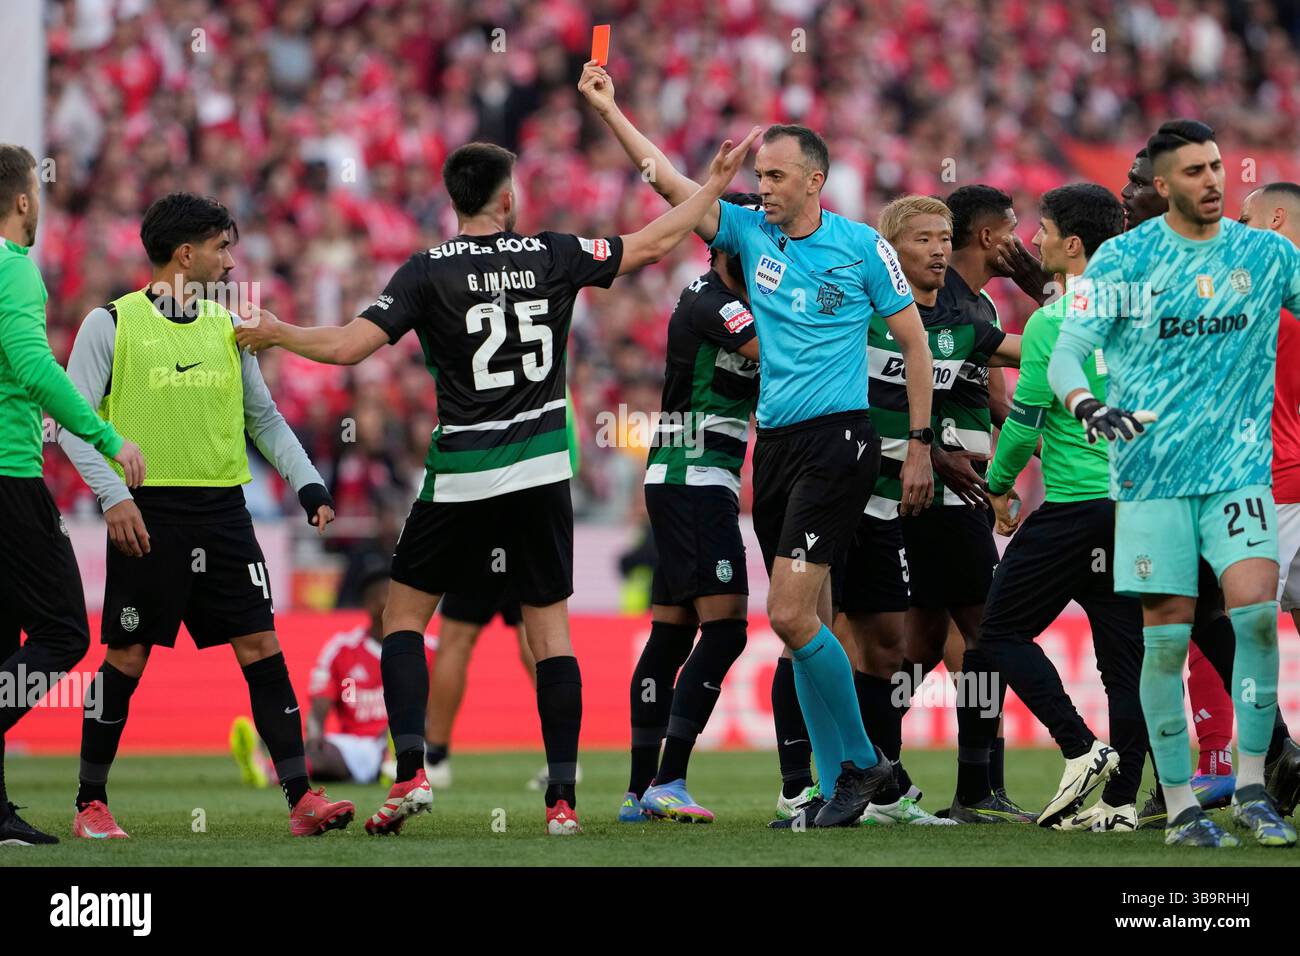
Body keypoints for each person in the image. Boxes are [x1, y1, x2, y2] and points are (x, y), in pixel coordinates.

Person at [236, 128, 761, 835]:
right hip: (543, 471)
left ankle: (414, 770)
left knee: (404, 621)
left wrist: (277, 331)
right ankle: (563, 802)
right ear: (508, 197)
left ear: (455, 200)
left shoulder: (425, 271)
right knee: (551, 636)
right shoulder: (552, 251)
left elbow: (348, 347)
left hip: (459, 476)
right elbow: (651, 244)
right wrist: (711, 190)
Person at [577, 60, 935, 828]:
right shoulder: (748, 232)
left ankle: (864, 764)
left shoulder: (863, 247)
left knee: (794, 617)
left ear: (814, 179)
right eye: (758, 175)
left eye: (773, 175)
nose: (760, 186)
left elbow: (913, 343)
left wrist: (922, 442)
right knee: (809, 621)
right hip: (770, 455)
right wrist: (610, 109)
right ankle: (849, 775)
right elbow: (668, 182)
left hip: (839, 442)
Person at [57, 191, 352, 839]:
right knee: (127, 656)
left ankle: (301, 797)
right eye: (222, 247)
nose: (230, 260)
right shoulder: (110, 323)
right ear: (185, 254)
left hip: (224, 514)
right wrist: (114, 496)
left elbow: (264, 419)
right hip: (147, 514)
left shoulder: (231, 326)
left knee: (262, 646)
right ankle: (89, 804)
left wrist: (307, 484)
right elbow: (73, 426)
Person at [1048, 119, 1300, 848]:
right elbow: (1070, 351)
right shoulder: (1124, 263)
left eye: (1218, 166)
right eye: (1194, 171)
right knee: (1167, 642)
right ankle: (1184, 803)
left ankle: (1255, 788)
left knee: (1253, 617)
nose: (1213, 181)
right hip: (1153, 478)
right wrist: (1086, 403)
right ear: (1163, 185)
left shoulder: (1264, 253)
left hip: (1239, 473)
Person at [982, 183, 1145, 831]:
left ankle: (1080, 749)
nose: (1035, 241)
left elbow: (1023, 425)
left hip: (1076, 507)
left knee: (999, 630)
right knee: (1123, 659)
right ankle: (1122, 803)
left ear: (1073, 245)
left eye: (1044, 230)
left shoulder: (1055, 322)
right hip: (1135, 508)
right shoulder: (1140, 312)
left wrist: (998, 486)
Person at [0, 143, 145, 846]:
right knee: (63, 632)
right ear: (24, 200)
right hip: (8, 476)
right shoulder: (15, 269)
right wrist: (106, 437)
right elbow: (31, 366)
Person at [898, 185, 1031, 822]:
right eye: (1013, 230)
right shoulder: (940, 303)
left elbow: (999, 404)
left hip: (969, 489)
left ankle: (877, 767)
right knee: (986, 633)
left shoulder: (975, 304)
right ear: (988, 237)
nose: (1023, 243)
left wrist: (1005, 481)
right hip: (940, 491)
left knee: (925, 643)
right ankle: (976, 787)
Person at [1237, 180, 1300, 816]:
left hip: (1267, 486)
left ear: (1276, 219)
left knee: (1239, 629)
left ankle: (1261, 776)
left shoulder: (1259, 300)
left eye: (1247, 217)